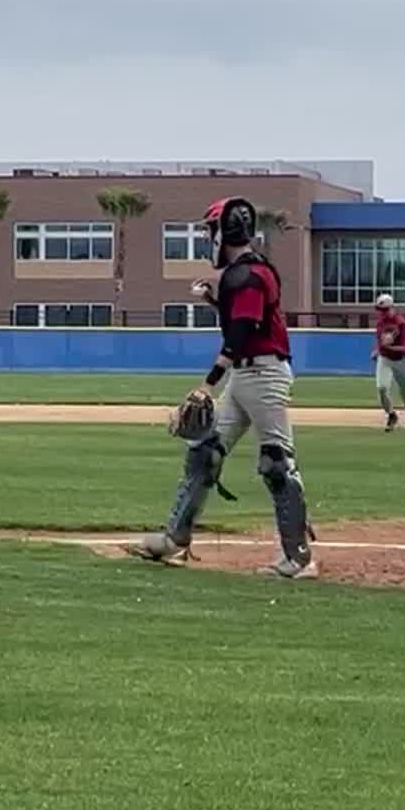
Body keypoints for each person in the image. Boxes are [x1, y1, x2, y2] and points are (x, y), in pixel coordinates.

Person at [129, 196, 315, 579]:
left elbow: (243, 333)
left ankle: (297, 558)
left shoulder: (245, 275)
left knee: (276, 462)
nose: (207, 238)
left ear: (225, 231)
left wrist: (209, 382)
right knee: (205, 452)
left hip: (262, 375)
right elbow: (244, 322)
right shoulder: (244, 273)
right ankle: (174, 539)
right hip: (248, 376)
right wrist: (216, 302)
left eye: (210, 230)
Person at [372, 293, 405, 432]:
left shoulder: (401, 323)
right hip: (385, 359)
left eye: (384, 310)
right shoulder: (380, 323)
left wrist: (388, 347)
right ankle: (391, 415)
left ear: (392, 308)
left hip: (403, 361)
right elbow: (380, 343)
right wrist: (378, 350)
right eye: (380, 310)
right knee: (382, 388)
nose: (382, 313)